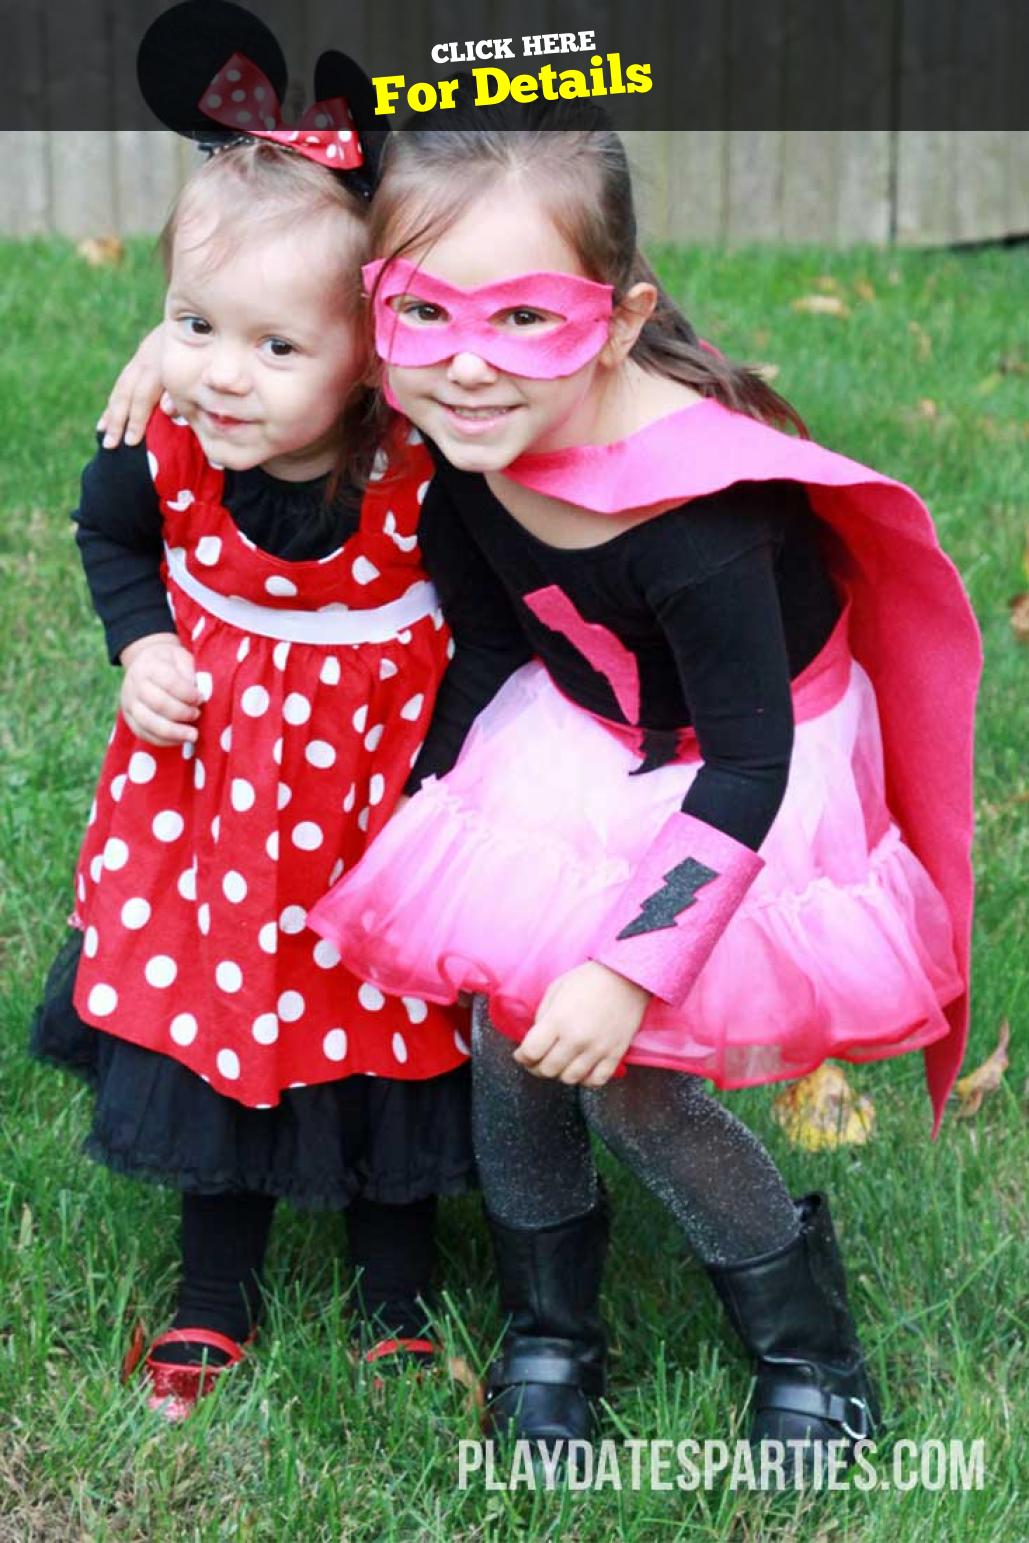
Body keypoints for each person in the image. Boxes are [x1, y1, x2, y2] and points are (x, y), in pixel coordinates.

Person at [306, 120, 982, 1464]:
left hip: (744, 786)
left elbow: (746, 766)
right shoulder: (466, 444)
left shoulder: (702, 523)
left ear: (616, 326)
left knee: (628, 1076)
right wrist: (432, 799)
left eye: (525, 319)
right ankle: (550, 1332)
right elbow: (501, 644)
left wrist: (628, 963)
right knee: (513, 1038)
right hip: (571, 743)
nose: (469, 363)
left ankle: (809, 1349)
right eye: (422, 316)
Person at [30, 126, 500, 1420]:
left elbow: (487, 623)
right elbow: (108, 536)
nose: (222, 376)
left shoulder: (423, 466)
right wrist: (141, 646)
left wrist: (446, 772)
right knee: (214, 1025)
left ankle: (393, 1293)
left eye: (276, 345)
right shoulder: (162, 445)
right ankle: (212, 1293)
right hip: (211, 828)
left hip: (373, 818)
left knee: (385, 1038)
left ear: (374, 355)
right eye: (193, 324)